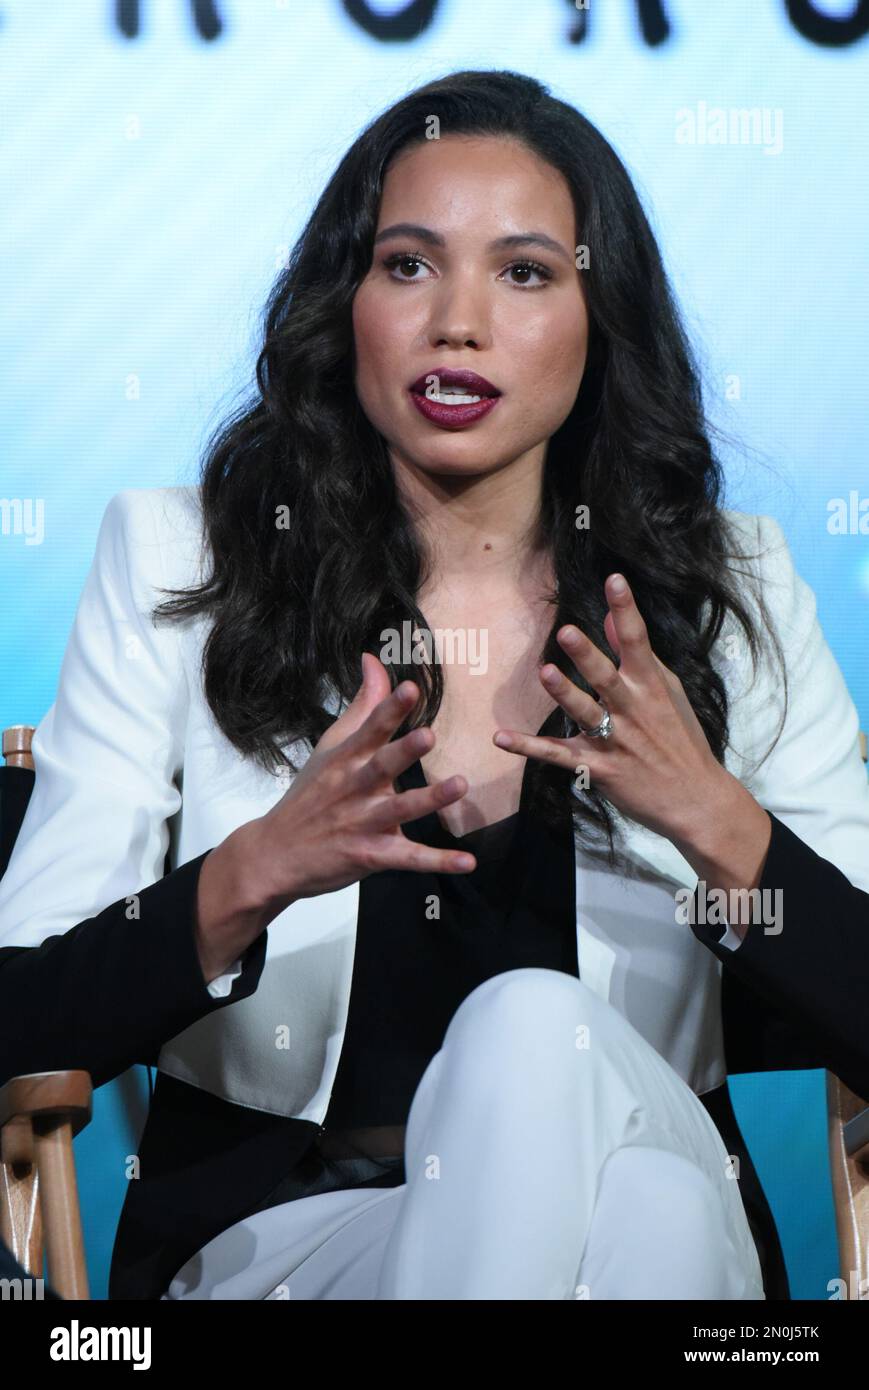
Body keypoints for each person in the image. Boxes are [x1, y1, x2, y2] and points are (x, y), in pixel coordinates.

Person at [1, 68, 868, 1302]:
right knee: (650, 1213)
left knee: (566, 1075)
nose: (456, 320)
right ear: (342, 302)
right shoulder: (177, 563)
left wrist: (716, 820)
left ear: (598, 316)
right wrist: (248, 873)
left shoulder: (723, 591)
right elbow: (20, 1017)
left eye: (523, 272)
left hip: (641, 1182)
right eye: (408, 264)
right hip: (296, 1244)